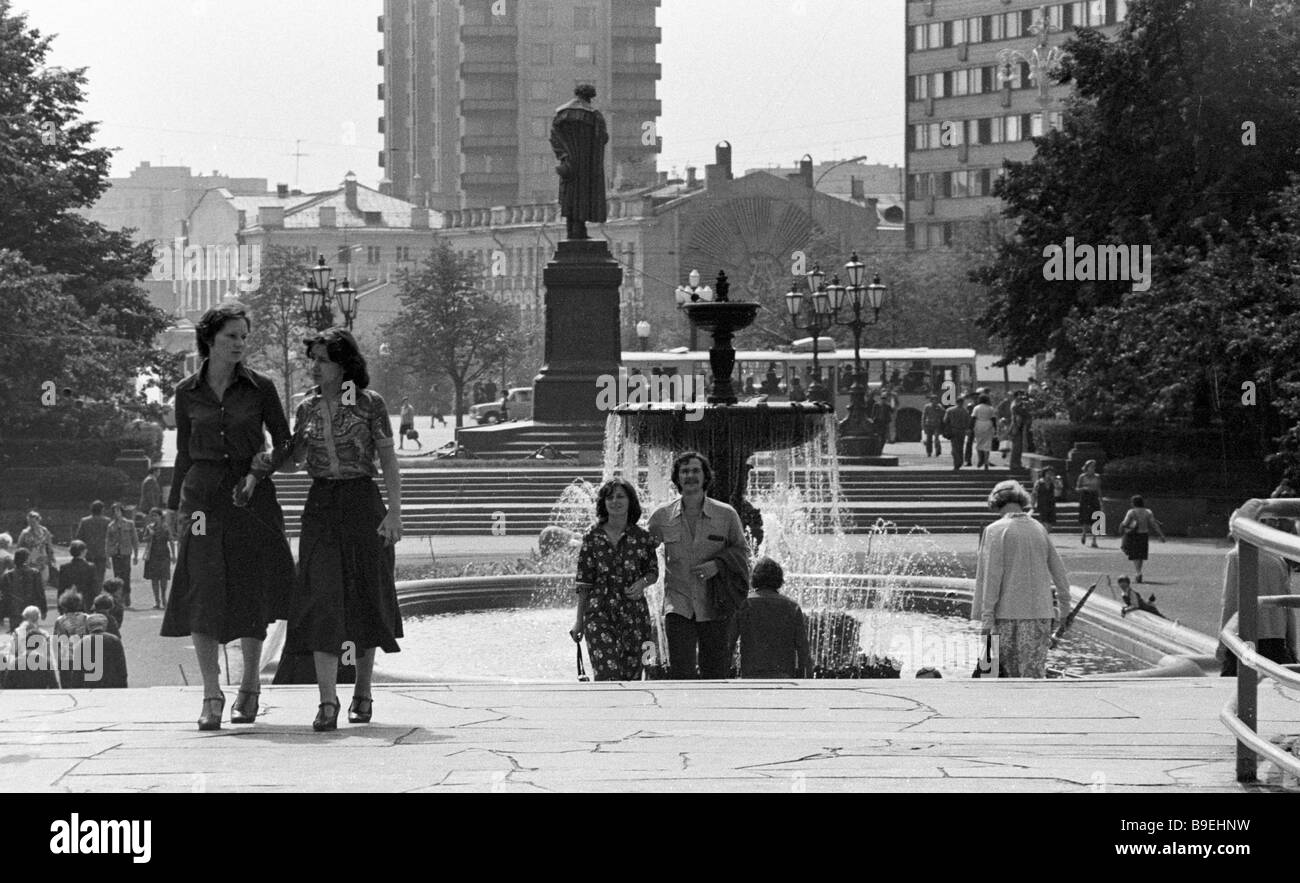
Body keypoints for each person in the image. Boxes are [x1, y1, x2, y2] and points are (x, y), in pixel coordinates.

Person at [161, 302, 297, 731]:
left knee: (249, 588)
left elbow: (287, 444)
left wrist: (260, 470)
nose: (239, 343)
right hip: (201, 502)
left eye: (243, 336)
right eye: (231, 337)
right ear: (210, 340)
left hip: (249, 500)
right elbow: (183, 452)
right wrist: (171, 507)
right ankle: (211, 694)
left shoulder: (261, 387)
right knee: (202, 590)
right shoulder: (186, 391)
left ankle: (250, 687)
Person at [279, 328, 404, 731]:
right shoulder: (306, 408)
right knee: (321, 597)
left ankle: (363, 691)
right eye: (311, 359)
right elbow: (293, 461)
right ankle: (327, 700)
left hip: (362, 502)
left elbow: (387, 461)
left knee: (366, 594)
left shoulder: (370, 404)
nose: (313, 367)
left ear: (343, 364)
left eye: (322, 360)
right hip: (321, 505)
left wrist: (396, 513)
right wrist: (265, 459)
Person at [646, 452, 750, 679]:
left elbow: (742, 552)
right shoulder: (661, 517)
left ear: (705, 477)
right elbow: (643, 552)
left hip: (715, 604)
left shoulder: (726, 514)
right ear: (677, 478)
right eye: (684, 471)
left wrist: (718, 565)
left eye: (695, 471)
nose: (690, 476)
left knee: (715, 671)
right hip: (678, 604)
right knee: (681, 672)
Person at [972, 480, 1073, 678]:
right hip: (1040, 613)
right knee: (1034, 674)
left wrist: (986, 619)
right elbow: (1059, 572)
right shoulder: (1039, 528)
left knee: (1009, 677)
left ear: (995, 502)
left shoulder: (995, 530)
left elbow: (991, 579)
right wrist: (1065, 609)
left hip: (1006, 615)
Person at [570, 479, 659, 681]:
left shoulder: (642, 537)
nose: (615, 501)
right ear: (603, 502)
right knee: (607, 677)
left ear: (630, 501)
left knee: (634, 676)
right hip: (598, 614)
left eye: (620, 496)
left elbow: (653, 571)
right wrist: (579, 622)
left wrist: (642, 583)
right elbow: (584, 583)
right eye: (609, 497)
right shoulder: (592, 537)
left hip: (634, 615)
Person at [1218, 512, 1298, 677]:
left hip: (1244, 636)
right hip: (1275, 637)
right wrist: (1291, 642)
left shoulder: (1236, 557)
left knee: (1235, 688)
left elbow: (1231, 602)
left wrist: (1223, 644)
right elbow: (1288, 607)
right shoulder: (1277, 559)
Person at [736, 557, 811, 679]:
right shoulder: (792, 606)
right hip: (784, 674)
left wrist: (724, 675)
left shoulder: (744, 604)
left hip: (751, 673)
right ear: (780, 580)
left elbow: (729, 643)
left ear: (754, 579)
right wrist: (806, 678)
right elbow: (803, 648)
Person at [550, 83, 608, 240]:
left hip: (568, 163)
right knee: (583, 197)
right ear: (590, 97)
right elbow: (602, 137)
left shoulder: (561, 113)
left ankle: (573, 231)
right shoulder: (594, 115)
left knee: (570, 196)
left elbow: (554, 137)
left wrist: (563, 156)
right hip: (587, 164)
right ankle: (579, 231)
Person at [4, 607, 58, 690]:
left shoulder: (16, 633)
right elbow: (50, 655)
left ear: (24, 617)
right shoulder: (44, 634)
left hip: (19, 668)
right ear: (38, 618)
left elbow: (11, 653)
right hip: (41, 668)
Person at [1119, 495, 1167, 582]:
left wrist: (1122, 527)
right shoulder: (1148, 512)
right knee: (1140, 555)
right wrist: (1161, 535)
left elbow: (1125, 523)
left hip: (1133, 535)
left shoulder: (1131, 512)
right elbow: (1153, 524)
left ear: (1133, 503)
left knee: (1134, 554)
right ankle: (1139, 572)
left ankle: (1138, 573)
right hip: (1144, 535)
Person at [1, 548, 47, 631]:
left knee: (16, 635)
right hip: (31, 609)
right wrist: (44, 609)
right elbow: (40, 593)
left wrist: (2, 613)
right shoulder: (34, 573)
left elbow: (4, 596)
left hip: (15, 610)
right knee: (31, 634)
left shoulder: (8, 575)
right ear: (27, 559)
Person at [53, 590, 91, 688]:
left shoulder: (60, 620)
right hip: (84, 656)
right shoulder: (86, 618)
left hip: (66, 657)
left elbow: (56, 642)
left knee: (67, 686)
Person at [105, 502, 139, 609]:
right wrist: (107, 557)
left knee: (126, 576)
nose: (116, 513)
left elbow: (135, 539)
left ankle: (126, 596)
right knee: (117, 576)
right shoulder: (110, 526)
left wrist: (136, 555)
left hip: (126, 553)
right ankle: (118, 598)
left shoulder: (129, 524)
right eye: (114, 511)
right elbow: (108, 542)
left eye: (118, 511)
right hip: (116, 553)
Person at [82, 614, 128, 688]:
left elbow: (77, 671)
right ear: (105, 625)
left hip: (90, 685)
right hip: (112, 682)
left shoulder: (83, 642)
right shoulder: (114, 640)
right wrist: (123, 684)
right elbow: (121, 665)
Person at [74, 501, 111, 594]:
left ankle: (89, 595)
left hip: (88, 553)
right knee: (100, 577)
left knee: (88, 576)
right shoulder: (107, 521)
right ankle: (97, 595)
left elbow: (79, 537)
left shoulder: (85, 521)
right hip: (102, 553)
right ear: (102, 510)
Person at [142, 508, 174, 610]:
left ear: (161, 516)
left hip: (164, 554)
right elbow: (144, 539)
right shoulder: (149, 527)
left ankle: (164, 597)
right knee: (154, 579)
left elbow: (171, 541)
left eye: (156, 515)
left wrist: (174, 555)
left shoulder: (166, 528)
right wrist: (150, 535)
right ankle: (157, 601)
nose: (154, 518)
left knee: (164, 578)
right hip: (153, 555)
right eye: (152, 516)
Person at [17, 510, 55, 589]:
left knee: (44, 579)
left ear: (38, 520)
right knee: (32, 580)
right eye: (29, 522)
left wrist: (51, 557)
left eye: (33, 522)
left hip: (43, 557)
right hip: (31, 558)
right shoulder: (25, 532)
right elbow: (19, 547)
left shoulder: (44, 531)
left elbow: (49, 545)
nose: (31, 524)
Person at [1076, 459, 1102, 548]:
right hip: (1085, 497)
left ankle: (1094, 540)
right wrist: (1084, 488)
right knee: (1085, 518)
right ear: (1087, 467)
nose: (1093, 468)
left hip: (1094, 498)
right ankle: (1084, 533)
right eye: (1091, 466)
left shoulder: (1097, 477)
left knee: (1096, 519)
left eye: (1094, 467)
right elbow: (1077, 489)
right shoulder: (1082, 477)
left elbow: (1099, 489)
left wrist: (1101, 500)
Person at [941, 397, 972, 471]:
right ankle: (960, 461)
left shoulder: (950, 410)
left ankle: (956, 463)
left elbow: (945, 420)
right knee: (960, 447)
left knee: (954, 447)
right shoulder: (965, 411)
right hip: (962, 431)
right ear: (963, 402)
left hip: (953, 430)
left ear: (956, 402)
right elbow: (968, 422)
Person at [971, 394, 998, 470]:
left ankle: (980, 460)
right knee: (987, 445)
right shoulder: (990, 408)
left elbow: (973, 417)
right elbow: (993, 419)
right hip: (988, 425)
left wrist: (971, 427)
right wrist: (995, 429)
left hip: (978, 425)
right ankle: (986, 462)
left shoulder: (976, 408)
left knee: (979, 443)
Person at [1009, 390, 1031, 470]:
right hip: (1016, 427)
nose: (1022, 397)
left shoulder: (1018, 403)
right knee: (1016, 447)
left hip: (1019, 426)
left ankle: (1017, 463)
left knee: (1018, 447)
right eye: (1020, 395)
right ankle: (1014, 464)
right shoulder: (1015, 404)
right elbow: (1018, 411)